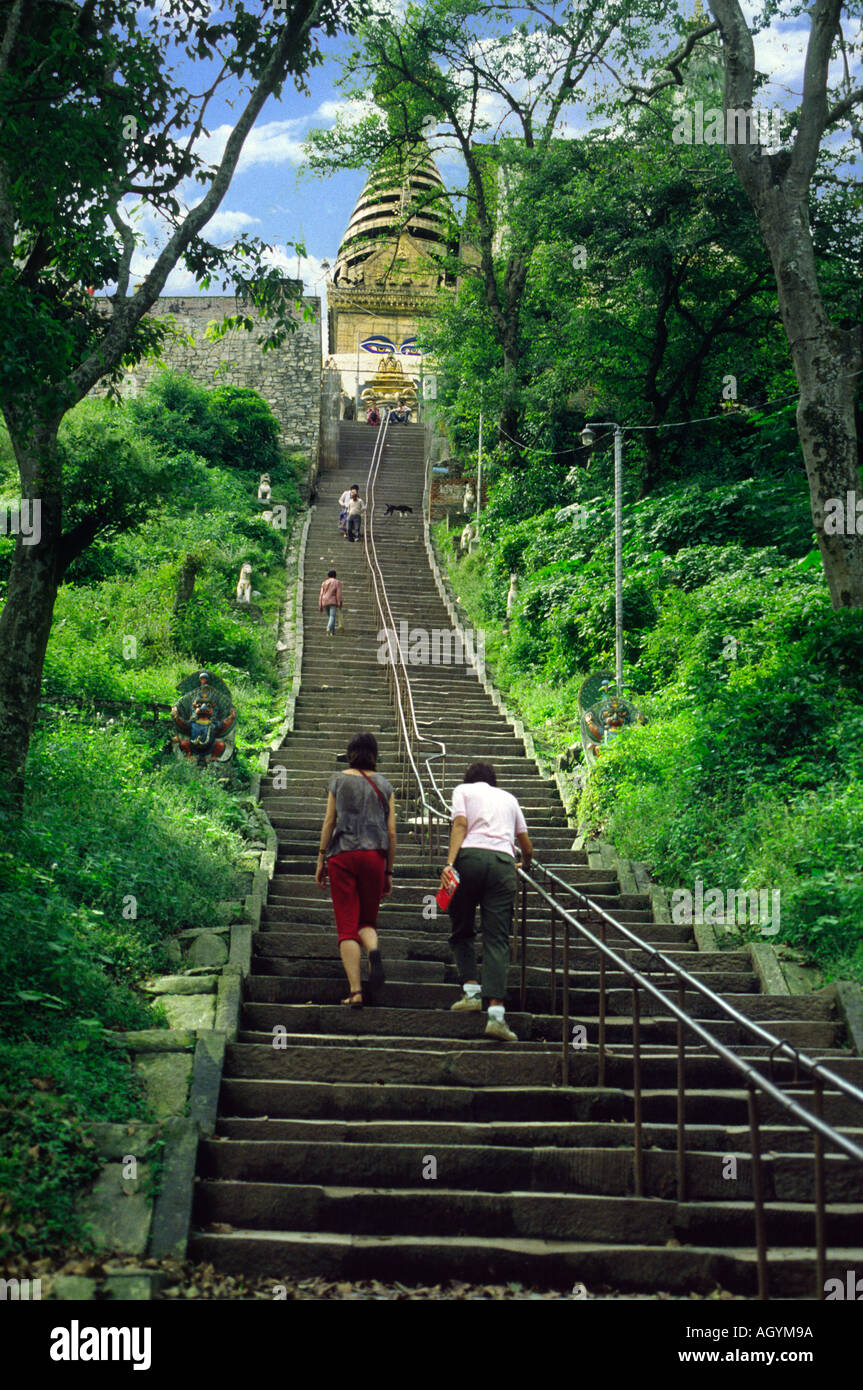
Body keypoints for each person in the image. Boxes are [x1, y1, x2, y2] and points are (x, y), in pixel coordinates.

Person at [440, 761, 533, 1042]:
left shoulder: (463, 791)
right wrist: (523, 864)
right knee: (497, 939)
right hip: (503, 864)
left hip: (469, 859)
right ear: (493, 780)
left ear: (469, 778)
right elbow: (526, 844)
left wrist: (449, 864)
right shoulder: (509, 799)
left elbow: (460, 824)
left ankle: (470, 992)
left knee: (462, 928)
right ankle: (496, 1017)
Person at [315, 732, 396, 1007]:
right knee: (367, 923)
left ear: (350, 753)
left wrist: (321, 858)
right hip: (375, 857)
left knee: (347, 928)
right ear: (375, 755)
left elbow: (329, 822)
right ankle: (373, 950)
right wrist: (389, 872)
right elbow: (392, 833)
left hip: (343, 856)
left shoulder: (337, 780)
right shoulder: (385, 785)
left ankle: (356, 992)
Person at [318, 568, 342, 637]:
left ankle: (332, 632)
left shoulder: (324, 582)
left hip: (324, 601)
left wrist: (320, 605)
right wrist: (339, 602)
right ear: (335, 575)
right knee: (332, 616)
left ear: (328, 576)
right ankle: (328, 627)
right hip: (333, 601)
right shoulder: (337, 582)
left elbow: (321, 594)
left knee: (331, 617)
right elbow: (338, 594)